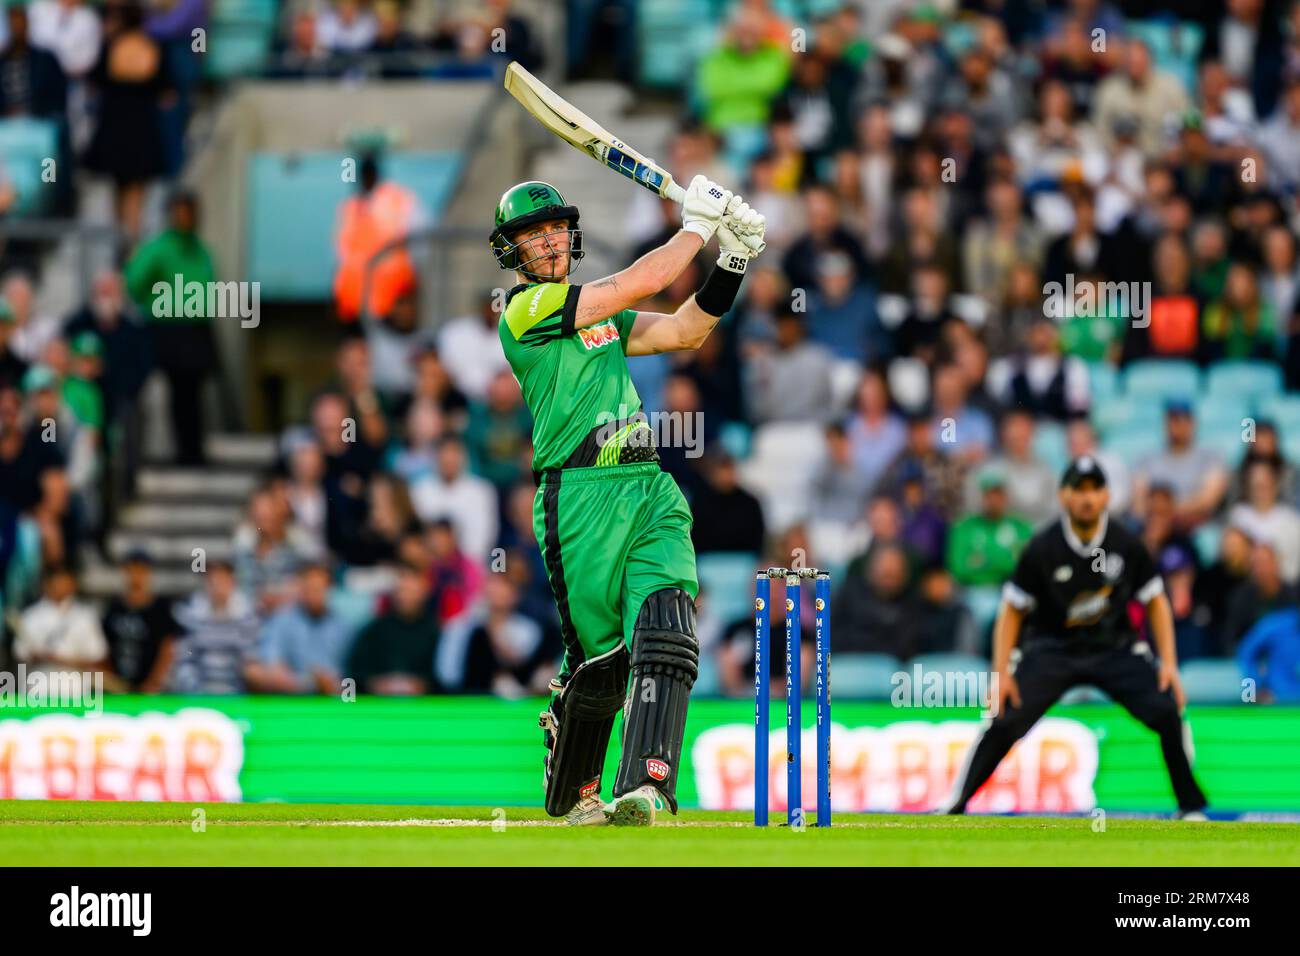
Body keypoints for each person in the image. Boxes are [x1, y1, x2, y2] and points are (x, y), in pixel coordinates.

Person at [487, 175, 764, 825]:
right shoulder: (523, 313)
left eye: (556, 228)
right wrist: (698, 225)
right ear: (514, 252)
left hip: (646, 486)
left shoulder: (602, 316)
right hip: (576, 495)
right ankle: (575, 778)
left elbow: (687, 331)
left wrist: (733, 259)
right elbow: (637, 283)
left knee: (668, 629)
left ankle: (648, 784)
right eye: (534, 234)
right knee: (603, 664)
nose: (550, 241)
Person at [947, 458, 1208, 818]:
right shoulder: (1043, 547)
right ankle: (954, 805)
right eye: (1079, 490)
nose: (1087, 499)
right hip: (1053, 649)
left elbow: (1156, 601)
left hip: (1115, 648)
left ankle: (1190, 807)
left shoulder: (1126, 544)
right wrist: (1001, 673)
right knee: (1004, 718)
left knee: (1167, 709)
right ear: (1063, 496)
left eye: (1094, 490)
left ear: (1106, 496)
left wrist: (1169, 665)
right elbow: (1011, 608)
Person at [102, 550, 177, 691]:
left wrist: (154, 682)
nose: (136, 576)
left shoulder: (160, 608)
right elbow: (104, 647)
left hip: (151, 686)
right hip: (119, 684)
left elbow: (168, 647)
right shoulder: (114, 608)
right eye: (131, 571)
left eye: (141, 571)